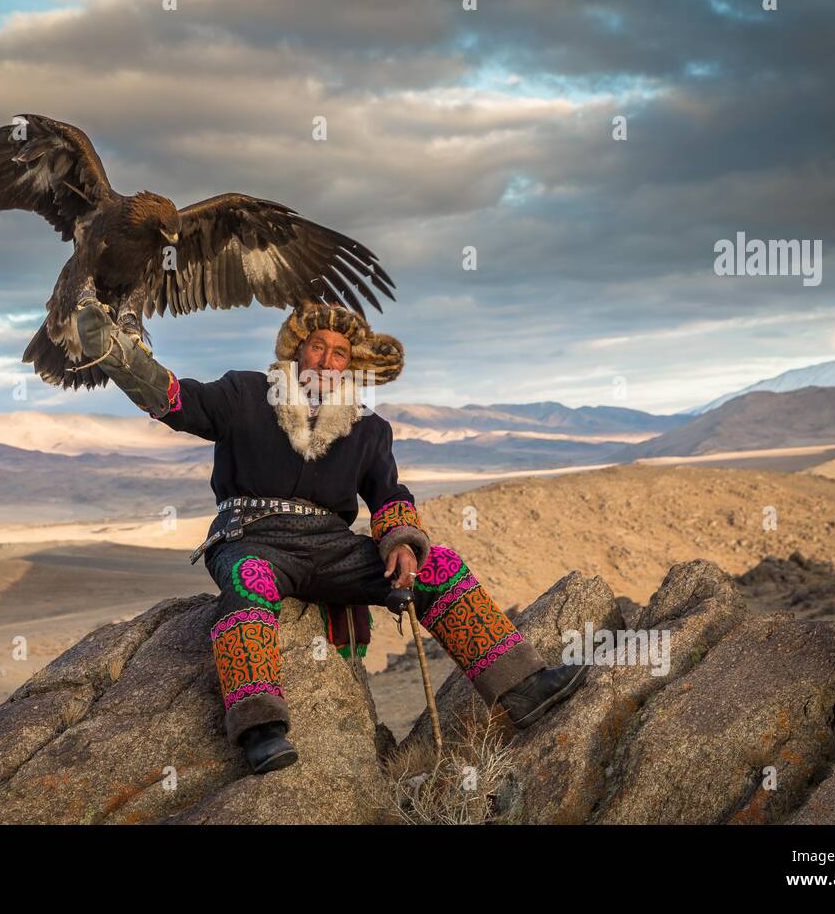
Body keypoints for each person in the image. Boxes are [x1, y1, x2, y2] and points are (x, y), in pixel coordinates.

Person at [74, 297, 589, 773]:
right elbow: (178, 402)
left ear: (351, 365)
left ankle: (522, 688)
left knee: (441, 568)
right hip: (251, 535)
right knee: (248, 580)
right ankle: (261, 730)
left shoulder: (369, 428)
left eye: (339, 353)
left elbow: (388, 496)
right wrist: (123, 359)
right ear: (297, 351)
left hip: (331, 547)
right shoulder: (245, 393)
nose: (326, 360)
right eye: (316, 346)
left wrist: (403, 545)